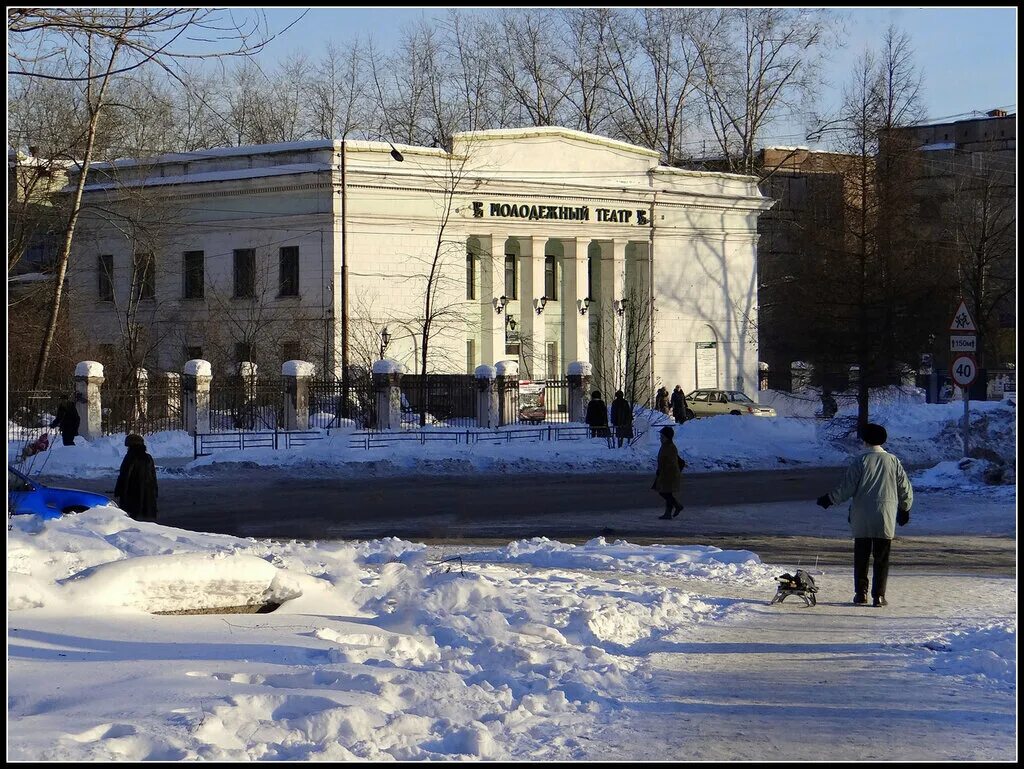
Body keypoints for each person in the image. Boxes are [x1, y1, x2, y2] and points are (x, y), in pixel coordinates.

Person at [815, 423, 913, 607]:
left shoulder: (860, 461)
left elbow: (847, 488)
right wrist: (905, 508)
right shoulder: (893, 461)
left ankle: (861, 594)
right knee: (881, 558)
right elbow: (905, 488)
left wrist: (830, 499)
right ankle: (879, 596)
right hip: (885, 516)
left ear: (866, 440)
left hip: (861, 516)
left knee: (861, 557)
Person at [115, 433, 159, 522]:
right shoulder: (148, 457)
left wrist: (119, 491)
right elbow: (153, 477)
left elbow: (124, 476)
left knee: (132, 521)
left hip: (133, 495)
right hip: (148, 495)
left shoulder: (130, 457)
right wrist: (155, 492)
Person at [652, 426, 684, 519]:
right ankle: (668, 513)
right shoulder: (666, 446)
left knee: (664, 492)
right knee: (666, 493)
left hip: (669, 474)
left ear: (667, 437)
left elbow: (671, 462)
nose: (660, 438)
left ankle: (677, 506)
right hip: (665, 473)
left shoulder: (669, 447)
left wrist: (663, 472)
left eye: (662, 436)